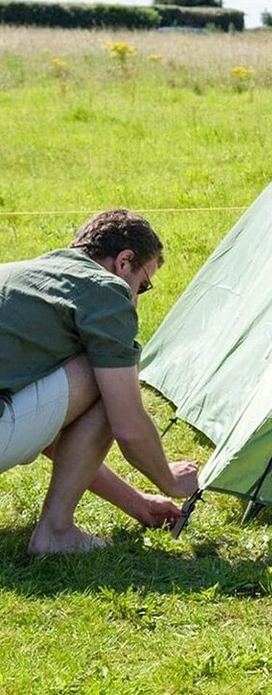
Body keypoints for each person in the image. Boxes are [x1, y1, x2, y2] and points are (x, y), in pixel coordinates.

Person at [0, 209, 198, 555]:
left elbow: (48, 429)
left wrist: (136, 502)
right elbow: (128, 425)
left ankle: (58, 528)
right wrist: (169, 480)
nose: (135, 299)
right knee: (109, 373)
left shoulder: (20, 275)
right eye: (143, 285)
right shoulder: (105, 290)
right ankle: (55, 532)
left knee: (102, 373)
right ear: (124, 262)